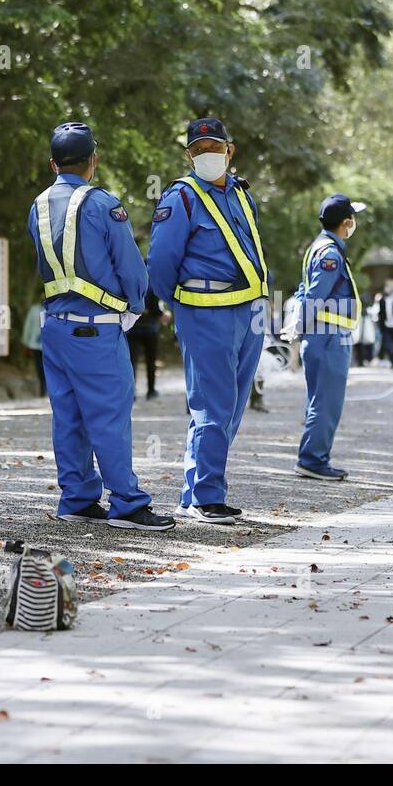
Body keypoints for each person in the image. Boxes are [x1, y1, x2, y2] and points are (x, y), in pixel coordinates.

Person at [29, 122, 174, 532]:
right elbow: (130, 265)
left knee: (68, 415)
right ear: (93, 160)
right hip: (96, 327)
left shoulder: (36, 206)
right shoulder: (102, 204)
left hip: (55, 326)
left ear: (53, 163)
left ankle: (77, 497)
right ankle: (127, 503)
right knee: (109, 415)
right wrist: (135, 306)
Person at [147, 117, 267, 525]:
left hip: (247, 309)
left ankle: (194, 492)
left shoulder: (240, 193)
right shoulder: (181, 197)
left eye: (214, 147)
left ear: (229, 150)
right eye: (198, 150)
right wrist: (180, 303)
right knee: (213, 405)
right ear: (188, 156)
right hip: (205, 309)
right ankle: (207, 496)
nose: (207, 155)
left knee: (230, 406)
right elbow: (161, 262)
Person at [294, 193, 365, 480]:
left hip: (323, 335)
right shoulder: (331, 254)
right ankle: (312, 459)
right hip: (328, 336)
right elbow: (315, 295)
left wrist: (298, 324)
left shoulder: (320, 247)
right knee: (327, 401)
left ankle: (313, 456)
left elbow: (304, 289)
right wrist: (300, 326)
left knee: (321, 399)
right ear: (346, 222)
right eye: (353, 219)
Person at [128, 288, 168, 400]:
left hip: (132, 328)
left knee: (132, 362)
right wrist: (163, 314)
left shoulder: (132, 281)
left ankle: (132, 393)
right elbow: (155, 306)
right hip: (150, 328)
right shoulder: (151, 283)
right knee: (151, 361)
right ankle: (151, 391)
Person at [21, 296, 45, 396]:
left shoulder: (52, 309)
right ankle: (43, 390)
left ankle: (44, 390)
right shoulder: (34, 309)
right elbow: (28, 326)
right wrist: (25, 343)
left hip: (46, 345)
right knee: (40, 368)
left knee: (44, 368)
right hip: (35, 345)